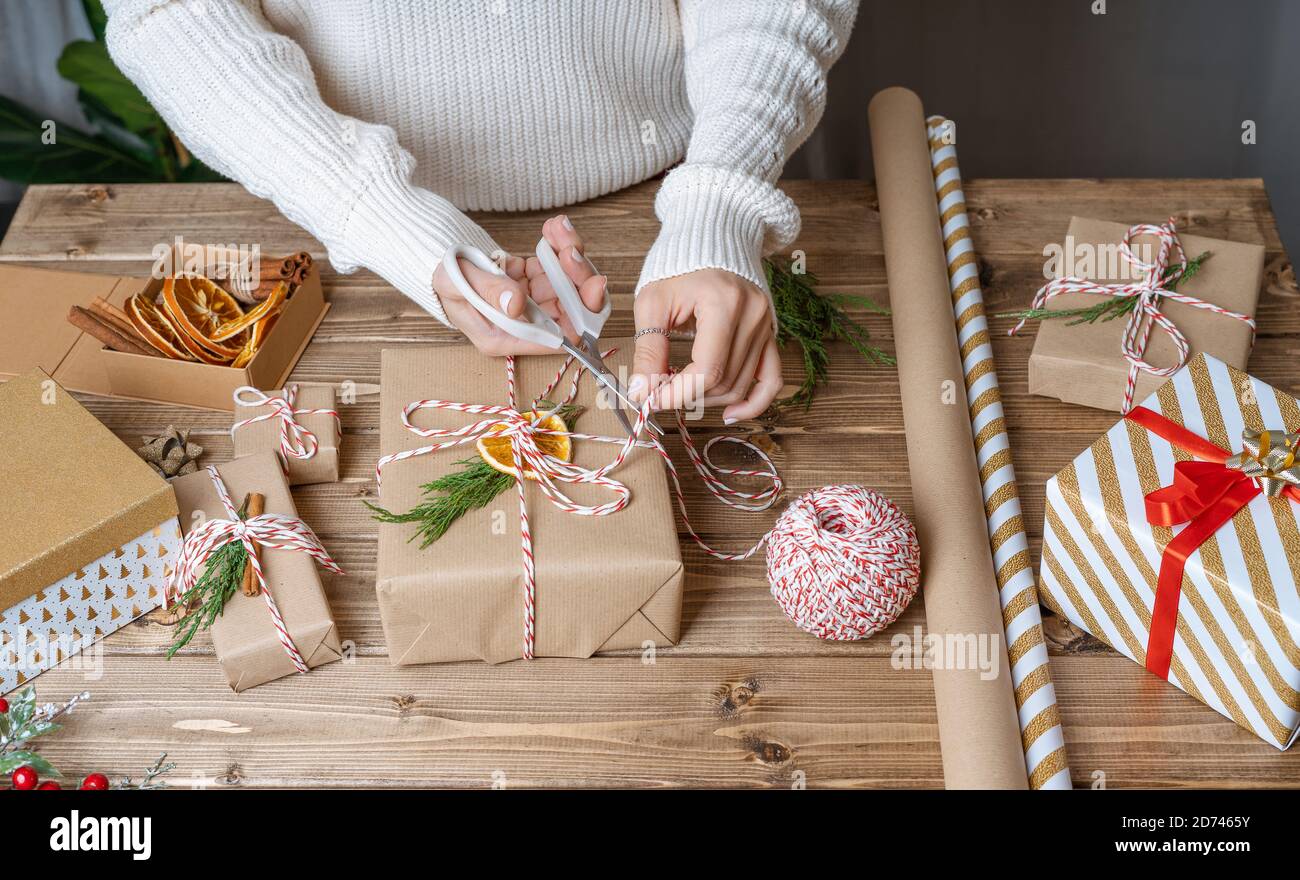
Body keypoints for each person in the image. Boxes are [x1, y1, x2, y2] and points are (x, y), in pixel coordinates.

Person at [104, 1, 856, 422]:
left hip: (691, 169)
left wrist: (722, 194)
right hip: (350, 223)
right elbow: (169, 12)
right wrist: (378, 213)